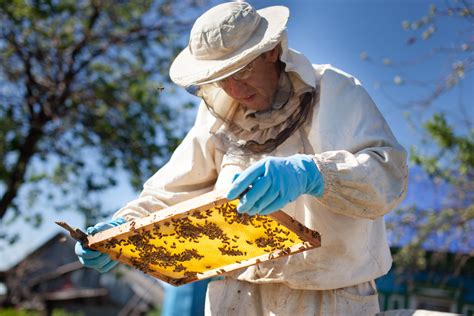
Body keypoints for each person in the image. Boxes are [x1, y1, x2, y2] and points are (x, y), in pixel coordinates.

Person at [75, 2, 408, 315]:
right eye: (221, 77)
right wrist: (120, 232)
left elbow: (388, 176)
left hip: (329, 294)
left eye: (243, 70)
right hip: (235, 295)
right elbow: (171, 192)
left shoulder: (336, 88)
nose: (233, 88)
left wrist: (315, 173)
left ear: (273, 50)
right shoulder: (216, 118)